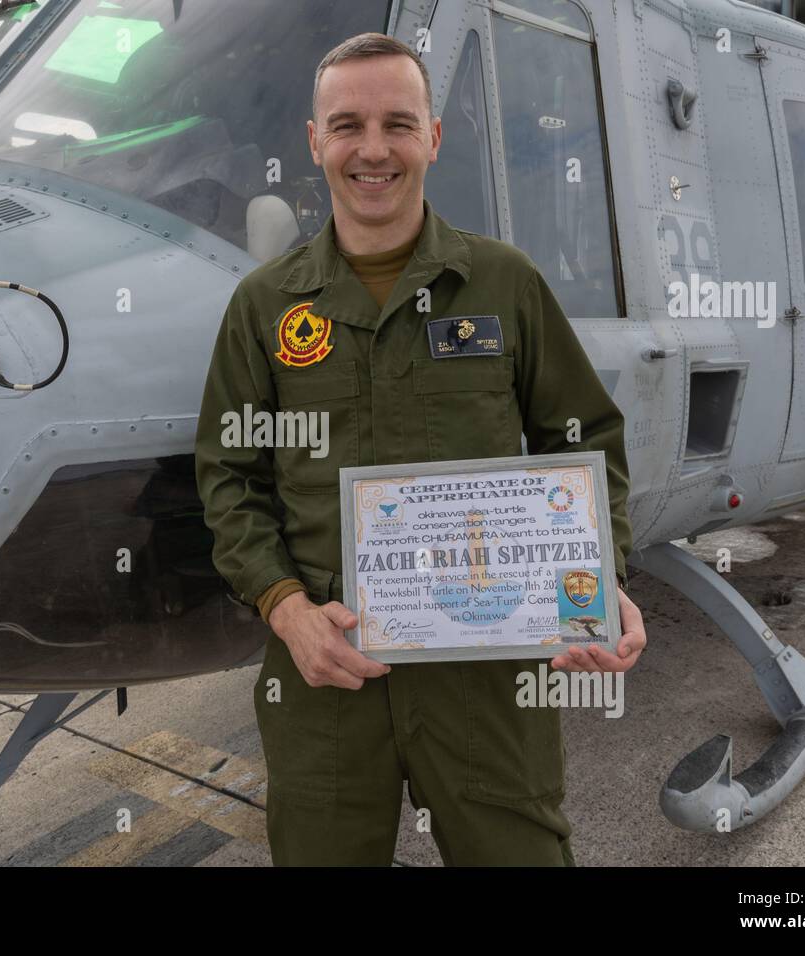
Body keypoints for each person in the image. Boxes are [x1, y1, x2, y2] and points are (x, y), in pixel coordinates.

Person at [194, 32, 647, 866]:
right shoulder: (264, 307)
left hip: (487, 666)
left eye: (399, 124)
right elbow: (230, 477)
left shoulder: (503, 283)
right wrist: (286, 611)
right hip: (327, 666)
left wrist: (598, 581)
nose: (373, 149)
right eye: (348, 125)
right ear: (315, 141)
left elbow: (583, 437)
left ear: (434, 138)